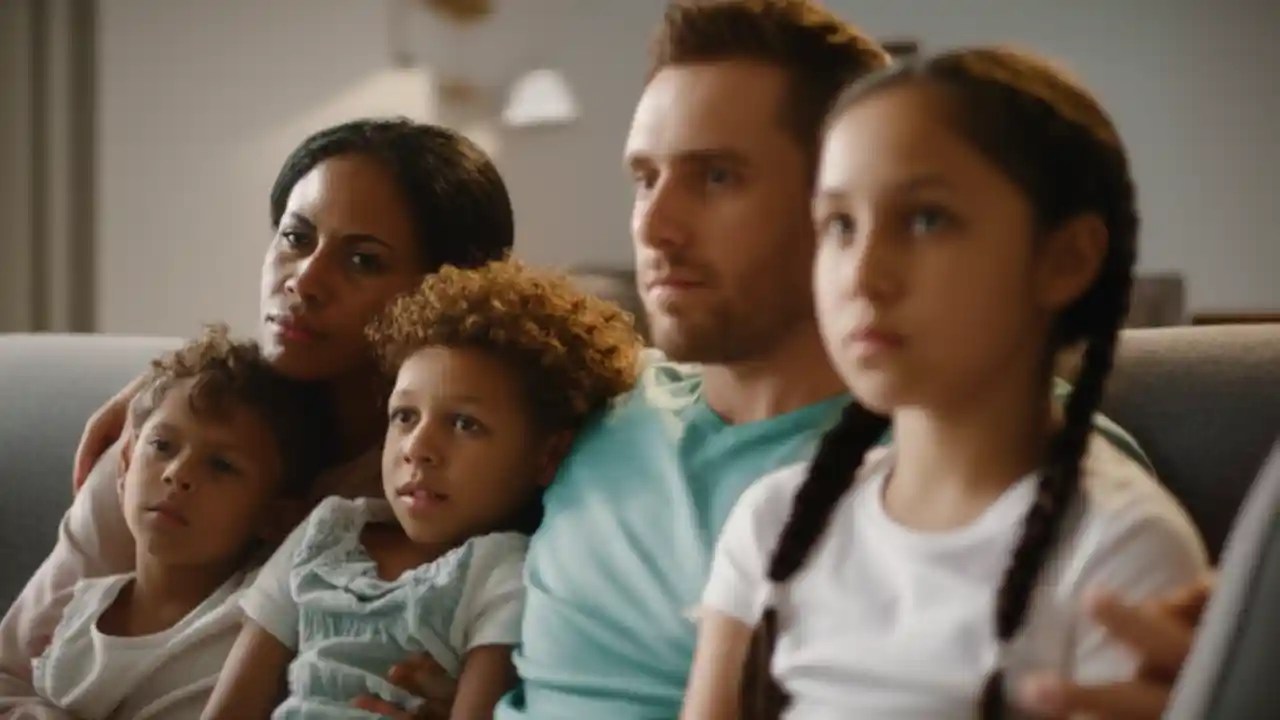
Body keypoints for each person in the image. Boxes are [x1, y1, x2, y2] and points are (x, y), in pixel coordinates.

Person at [492, 4, 1152, 720]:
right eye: (645, 178)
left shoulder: (996, 465)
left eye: (717, 177)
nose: (655, 227)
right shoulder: (581, 404)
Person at [681, 47, 1208, 719]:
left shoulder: (1121, 549)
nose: (863, 274)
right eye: (839, 225)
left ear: (1066, 257)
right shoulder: (773, 521)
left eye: (926, 219)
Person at [0, 118, 515, 712]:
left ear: (446, 289)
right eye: (296, 238)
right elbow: (11, 672)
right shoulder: (171, 433)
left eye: (363, 261)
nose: (305, 281)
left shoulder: (454, 473)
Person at [201, 259, 641, 719]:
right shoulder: (328, 529)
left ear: (547, 457)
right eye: (405, 416)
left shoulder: (499, 573)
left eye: (464, 424)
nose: (418, 448)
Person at [5, 326, 331, 719]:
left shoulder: (256, 617)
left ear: (275, 515)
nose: (177, 474)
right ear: (123, 468)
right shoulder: (73, 614)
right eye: (162, 446)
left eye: (221, 465)